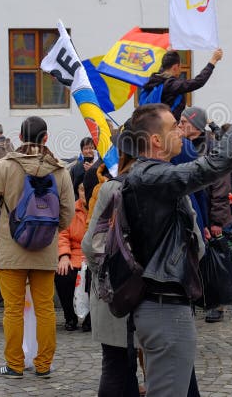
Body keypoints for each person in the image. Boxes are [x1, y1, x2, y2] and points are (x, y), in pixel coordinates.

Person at [124, 87, 232, 395]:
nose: (181, 131)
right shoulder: (150, 178)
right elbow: (211, 166)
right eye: (173, 127)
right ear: (156, 141)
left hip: (166, 305)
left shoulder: (153, 174)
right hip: (164, 308)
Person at [0, 116, 75, 380]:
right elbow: (67, 215)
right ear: (46, 138)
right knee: (45, 308)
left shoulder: (6, 165)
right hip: (44, 250)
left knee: (13, 309)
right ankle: (44, 365)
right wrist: (48, 230)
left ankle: (15, 365)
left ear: (21, 138)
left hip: (11, 248)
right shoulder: (60, 170)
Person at [82, 125, 141, 397]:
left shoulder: (113, 188)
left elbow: (92, 246)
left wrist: (108, 275)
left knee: (117, 367)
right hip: (161, 295)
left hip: (118, 291)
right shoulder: (171, 183)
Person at [176, 106, 232, 324]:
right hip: (198, 214)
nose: (179, 125)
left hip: (214, 214)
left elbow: (220, 187)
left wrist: (216, 221)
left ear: (197, 125)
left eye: (184, 122)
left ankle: (218, 304)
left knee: (216, 263)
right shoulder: (182, 146)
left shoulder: (213, 148)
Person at [140, 48, 223, 120]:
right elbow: (198, 82)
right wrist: (213, 60)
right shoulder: (171, 85)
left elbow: (165, 67)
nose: (180, 70)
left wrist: (169, 54)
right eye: (180, 67)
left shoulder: (155, 80)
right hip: (167, 127)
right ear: (175, 67)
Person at [55, 183, 90, 332]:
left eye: (87, 189)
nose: (84, 193)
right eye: (81, 189)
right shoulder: (71, 210)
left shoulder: (101, 209)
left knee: (94, 277)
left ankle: (90, 318)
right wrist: (64, 255)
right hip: (73, 254)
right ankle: (70, 316)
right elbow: (62, 234)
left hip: (93, 257)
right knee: (63, 274)